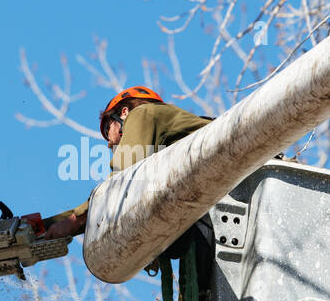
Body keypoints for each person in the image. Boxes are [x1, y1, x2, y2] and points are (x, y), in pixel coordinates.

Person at [42, 86, 211, 240]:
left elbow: (120, 181)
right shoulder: (161, 144)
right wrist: (43, 227)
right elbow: (107, 206)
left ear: (123, 113)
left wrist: (75, 220)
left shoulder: (142, 113)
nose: (108, 143)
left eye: (108, 129)